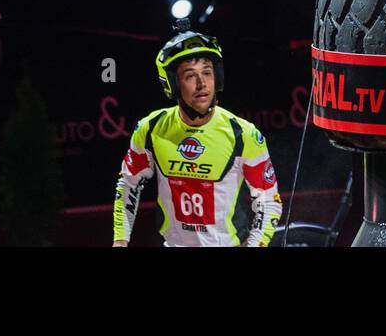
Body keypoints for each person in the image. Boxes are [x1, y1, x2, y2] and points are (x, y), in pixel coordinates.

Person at [113, 32, 281, 247]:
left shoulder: (244, 134)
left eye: (208, 73)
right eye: (190, 76)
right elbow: (127, 184)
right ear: (172, 83)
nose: (202, 84)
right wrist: (120, 240)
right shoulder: (151, 128)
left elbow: (269, 201)